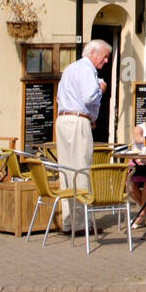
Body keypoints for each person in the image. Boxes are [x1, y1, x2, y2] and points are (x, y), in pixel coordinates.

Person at [55, 39, 111, 230]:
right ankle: (81, 224)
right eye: (104, 57)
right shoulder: (87, 70)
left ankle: (68, 221)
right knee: (80, 170)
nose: (105, 62)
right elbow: (89, 97)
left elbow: (60, 96)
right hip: (77, 121)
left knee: (66, 171)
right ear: (93, 53)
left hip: (63, 120)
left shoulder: (70, 69)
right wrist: (101, 90)